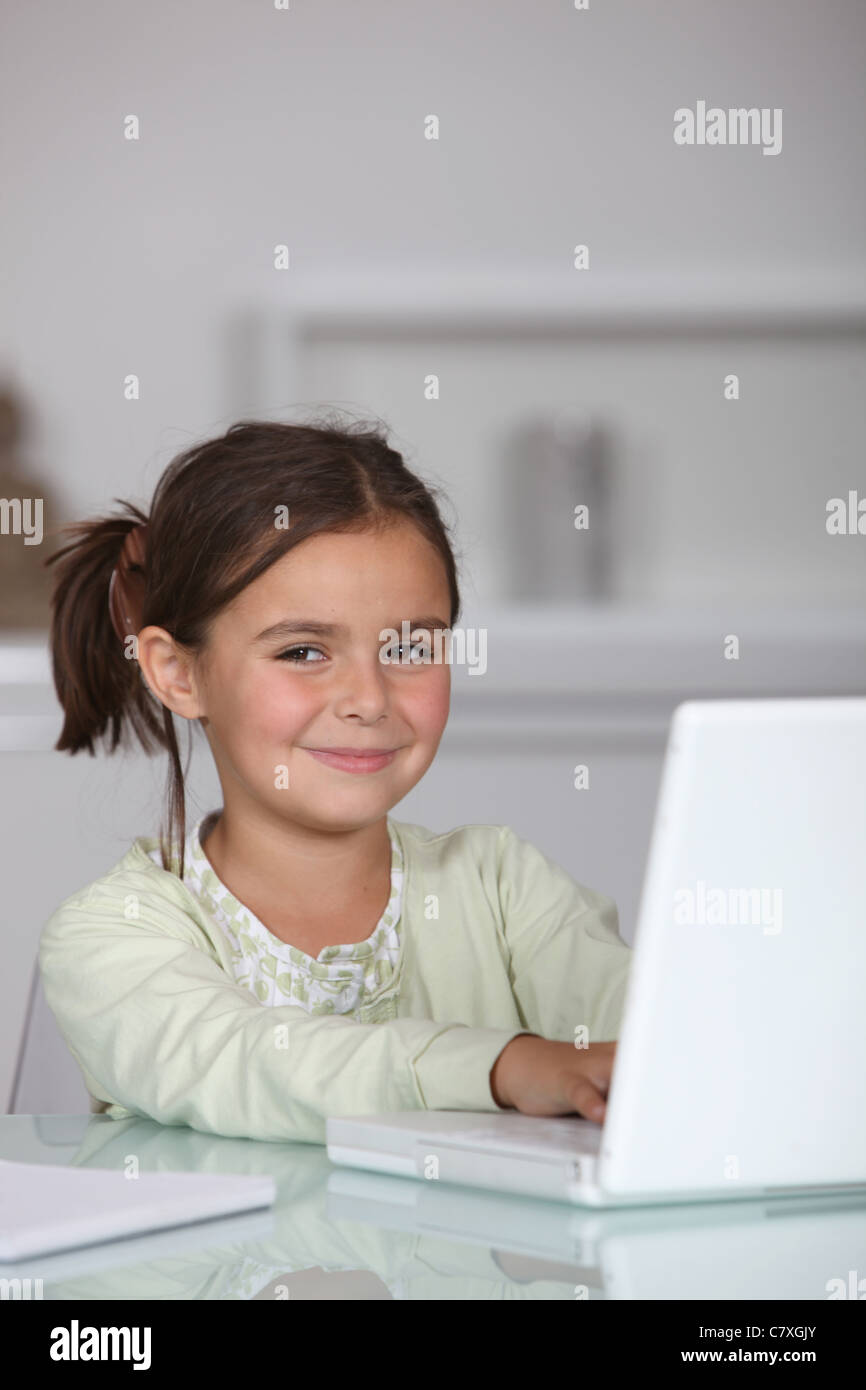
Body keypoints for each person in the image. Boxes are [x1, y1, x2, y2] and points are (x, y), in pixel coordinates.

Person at [39, 414, 631, 1144]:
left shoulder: (507, 891)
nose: (370, 699)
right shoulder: (112, 936)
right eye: (302, 651)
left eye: (411, 645)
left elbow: (667, 1040)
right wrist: (503, 1066)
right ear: (178, 673)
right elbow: (250, 1065)